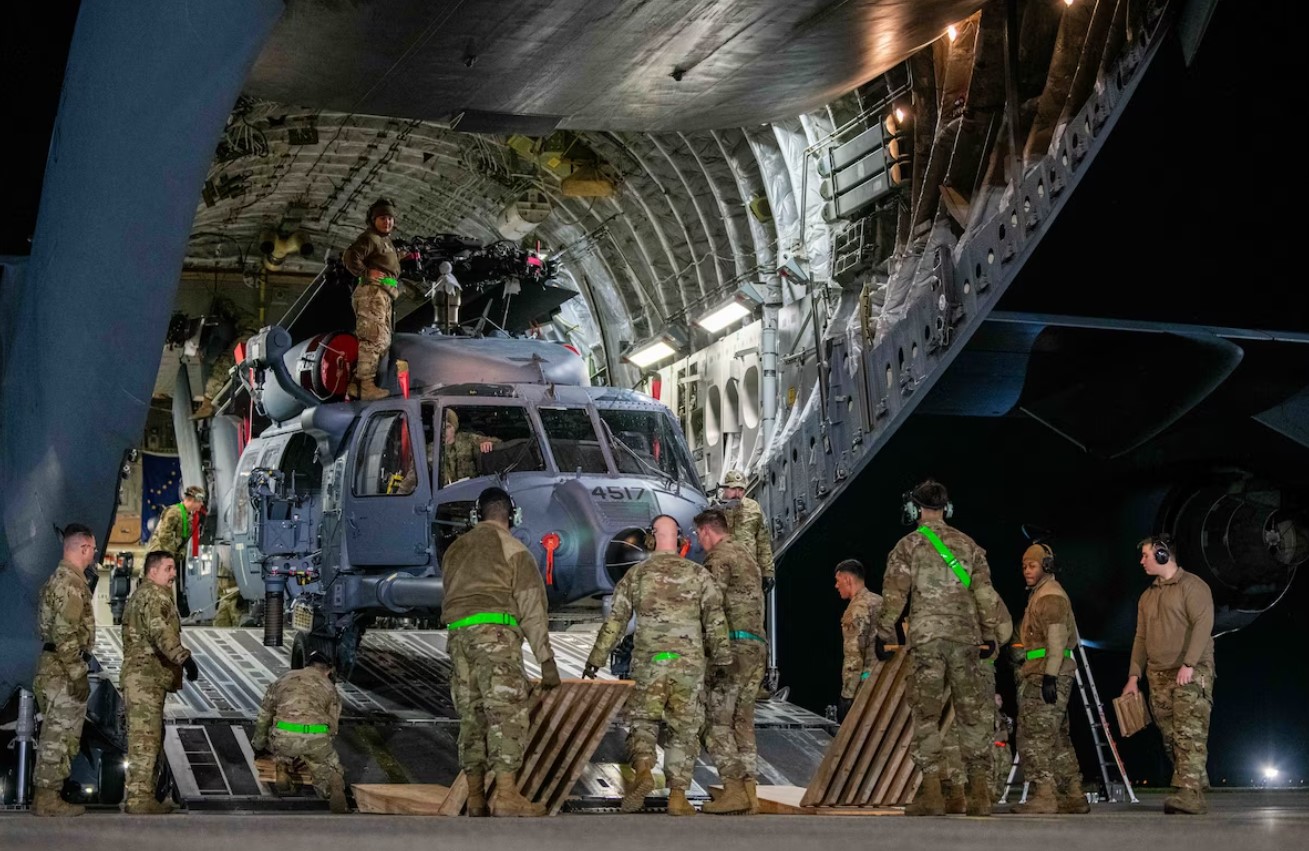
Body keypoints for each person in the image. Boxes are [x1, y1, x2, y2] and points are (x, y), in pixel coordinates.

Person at [875, 479, 1011, 817]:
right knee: (972, 716)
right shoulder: (969, 546)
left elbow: (894, 596)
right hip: (966, 640)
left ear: (917, 508)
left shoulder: (908, 546)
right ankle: (978, 795)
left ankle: (932, 794)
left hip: (927, 640)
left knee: (927, 716)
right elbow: (985, 594)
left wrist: (884, 633)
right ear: (946, 508)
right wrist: (990, 634)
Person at [583, 515, 732, 816]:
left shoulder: (637, 575)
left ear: (651, 539)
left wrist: (595, 660)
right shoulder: (699, 575)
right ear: (679, 540)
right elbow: (716, 622)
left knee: (643, 722)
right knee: (684, 730)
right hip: (688, 665)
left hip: (650, 662)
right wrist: (723, 660)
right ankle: (677, 797)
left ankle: (642, 773)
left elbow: (616, 622)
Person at [441, 486, 559, 817]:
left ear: (477, 515)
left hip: (458, 637)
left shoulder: (455, 549)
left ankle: (476, 797)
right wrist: (546, 661)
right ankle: (506, 794)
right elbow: (532, 607)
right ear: (512, 515)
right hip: (495, 636)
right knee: (505, 714)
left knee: (472, 716)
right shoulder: (514, 549)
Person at [1121, 534, 1215, 815]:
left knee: (1189, 732)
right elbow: (1140, 638)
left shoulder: (1193, 587)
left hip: (1191, 670)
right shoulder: (1147, 596)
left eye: (1146, 555)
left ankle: (1190, 794)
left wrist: (1189, 663)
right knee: (1171, 737)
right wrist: (1133, 676)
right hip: (1158, 674)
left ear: (1163, 555)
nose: (1142, 561)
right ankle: (1193, 784)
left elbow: (1203, 625)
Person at [693, 508, 766, 815]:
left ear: (707, 531)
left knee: (716, 722)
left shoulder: (718, 558)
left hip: (731, 649)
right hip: (756, 647)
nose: (699, 542)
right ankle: (750, 792)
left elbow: (710, 605)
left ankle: (734, 789)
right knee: (743, 721)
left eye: (698, 535)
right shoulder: (748, 556)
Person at [1010, 542, 1088, 814]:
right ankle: (1073, 794)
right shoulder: (1043, 594)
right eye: (1024, 566)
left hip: (1046, 671)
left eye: (1032, 566)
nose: (1026, 571)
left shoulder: (1050, 597)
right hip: (1049, 669)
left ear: (1046, 566)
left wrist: (1049, 677)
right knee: (1057, 737)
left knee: (1033, 736)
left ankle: (1044, 795)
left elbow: (1057, 640)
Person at [120, 550, 200, 814]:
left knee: (150, 737)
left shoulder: (142, 595)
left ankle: (144, 795)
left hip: (145, 678)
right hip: (145, 678)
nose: (173, 574)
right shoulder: (154, 596)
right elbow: (160, 632)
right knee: (145, 739)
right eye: (168, 568)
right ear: (152, 572)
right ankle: (138, 799)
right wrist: (184, 659)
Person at [30, 524, 99, 816]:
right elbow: (65, 633)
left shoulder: (59, 579)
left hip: (53, 667)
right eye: (93, 549)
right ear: (83, 548)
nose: (94, 554)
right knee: (58, 735)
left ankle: (48, 796)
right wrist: (76, 672)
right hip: (61, 669)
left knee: (58, 733)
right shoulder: (71, 584)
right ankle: (46, 799)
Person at [251, 651, 348, 813]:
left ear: (307, 664)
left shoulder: (283, 680)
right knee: (328, 767)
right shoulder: (330, 687)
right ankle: (332, 786)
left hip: (285, 735)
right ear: (328, 671)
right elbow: (333, 727)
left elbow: (264, 717)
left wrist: (258, 746)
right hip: (316, 735)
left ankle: (282, 765)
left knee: (278, 738)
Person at [342, 197, 401, 401]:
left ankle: (358, 384)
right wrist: (365, 273)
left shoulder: (385, 241)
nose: (387, 222)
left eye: (390, 218)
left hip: (383, 294)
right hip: (372, 293)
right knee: (373, 338)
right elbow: (350, 257)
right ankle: (365, 385)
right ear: (374, 220)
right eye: (382, 218)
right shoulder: (371, 238)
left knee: (382, 340)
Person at [834, 558, 882, 723]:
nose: (836, 586)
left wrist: (847, 695)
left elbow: (853, 656)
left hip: (864, 687)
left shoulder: (856, 609)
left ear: (847, 579)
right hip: (884, 681)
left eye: (838, 581)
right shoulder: (879, 601)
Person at [718, 471, 775, 592]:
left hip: (749, 572)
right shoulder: (716, 510)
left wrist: (767, 572)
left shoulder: (754, 508)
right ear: (725, 489)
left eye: (741, 489)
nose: (737, 494)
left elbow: (763, 542)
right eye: (733, 489)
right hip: (722, 574)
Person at [440, 409, 499, 486]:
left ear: (454, 427)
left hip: (469, 488)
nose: (444, 431)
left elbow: (497, 442)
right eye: (441, 427)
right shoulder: (431, 449)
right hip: (443, 493)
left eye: (448, 427)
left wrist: (488, 443)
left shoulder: (467, 439)